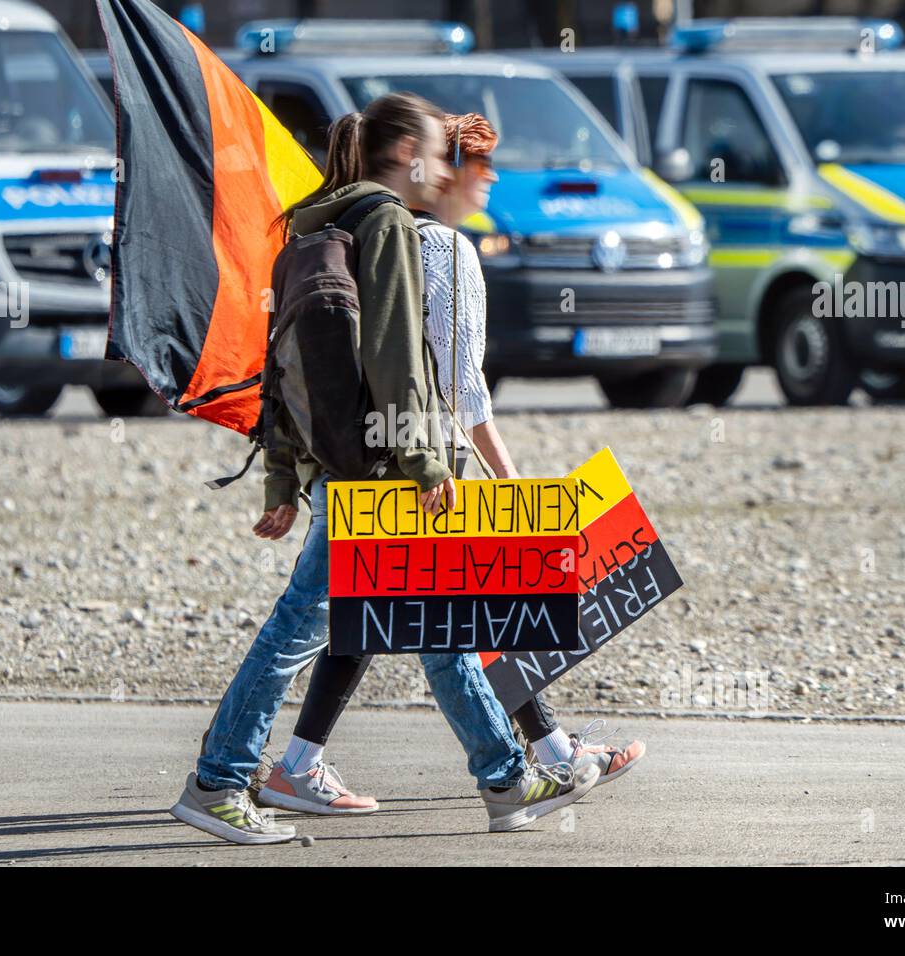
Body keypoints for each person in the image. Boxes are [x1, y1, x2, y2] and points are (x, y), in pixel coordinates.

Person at [169, 93, 599, 845]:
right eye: (437, 153)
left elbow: (286, 370)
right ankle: (218, 779)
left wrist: (281, 476)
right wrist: (430, 467)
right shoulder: (389, 225)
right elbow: (397, 357)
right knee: (299, 629)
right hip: (384, 472)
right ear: (406, 156)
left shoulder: (320, 222)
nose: (446, 169)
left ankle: (505, 779)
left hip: (348, 468)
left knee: (435, 624)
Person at [258, 112, 646, 818]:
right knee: (443, 616)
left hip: (366, 456)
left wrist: (285, 474)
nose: (490, 178)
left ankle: (304, 763)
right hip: (426, 463)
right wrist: (511, 480)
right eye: (478, 165)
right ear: (438, 168)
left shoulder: (365, 235)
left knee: (397, 614)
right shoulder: (445, 251)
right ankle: (525, 770)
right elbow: (463, 386)